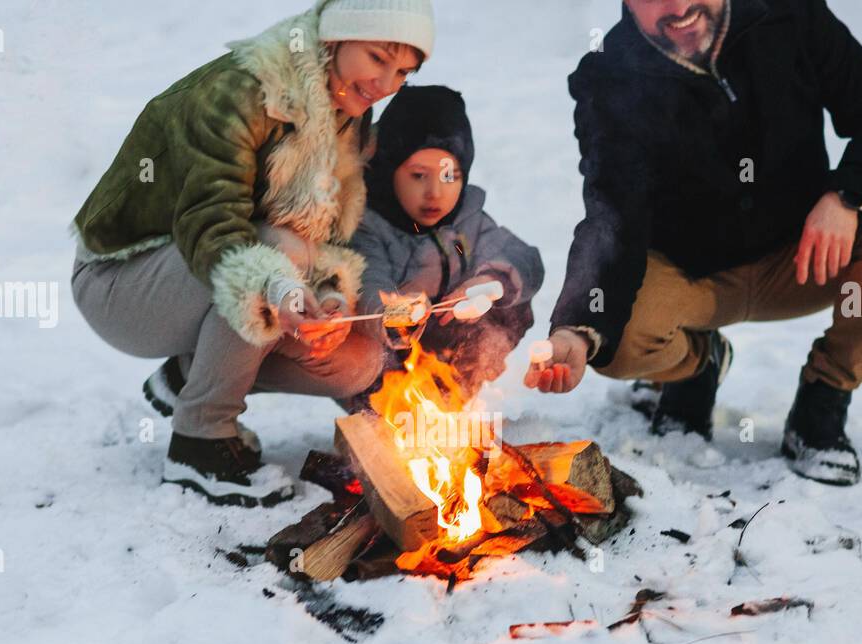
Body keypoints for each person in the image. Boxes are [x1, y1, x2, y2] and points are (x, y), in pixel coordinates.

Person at [527, 0, 862, 486]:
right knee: (614, 343)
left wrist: (846, 196)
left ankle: (823, 399)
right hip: (693, 278)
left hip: (805, 256)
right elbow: (612, 219)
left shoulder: (791, 16)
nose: (680, 7)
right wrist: (575, 329)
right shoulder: (609, 78)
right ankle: (695, 369)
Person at [70, 0, 435, 506]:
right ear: (335, 38)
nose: (386, 83)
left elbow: (322, 238)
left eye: (403, 72)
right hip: (123, 282)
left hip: (232, 274)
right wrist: (281, 286)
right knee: (274, 249)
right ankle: (200, 443)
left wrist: (326, 300)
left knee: (356, 360)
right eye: (377, 58)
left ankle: (186, 379)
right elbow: (210, 224)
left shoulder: (347, 108)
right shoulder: (240, 92)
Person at [348, 85, 544, 401]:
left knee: (511, 299)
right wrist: (397, 311)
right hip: (386, 359)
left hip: (444, 349)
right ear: (389, 171)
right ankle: (387, 408)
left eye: (449, 176)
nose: (435, 193)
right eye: (418, 176)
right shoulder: (368, 224)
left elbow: (524, 258)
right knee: (367, 349)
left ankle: (452, 396)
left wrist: (487, 282)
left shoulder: (469, 220)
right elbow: (367, 285)